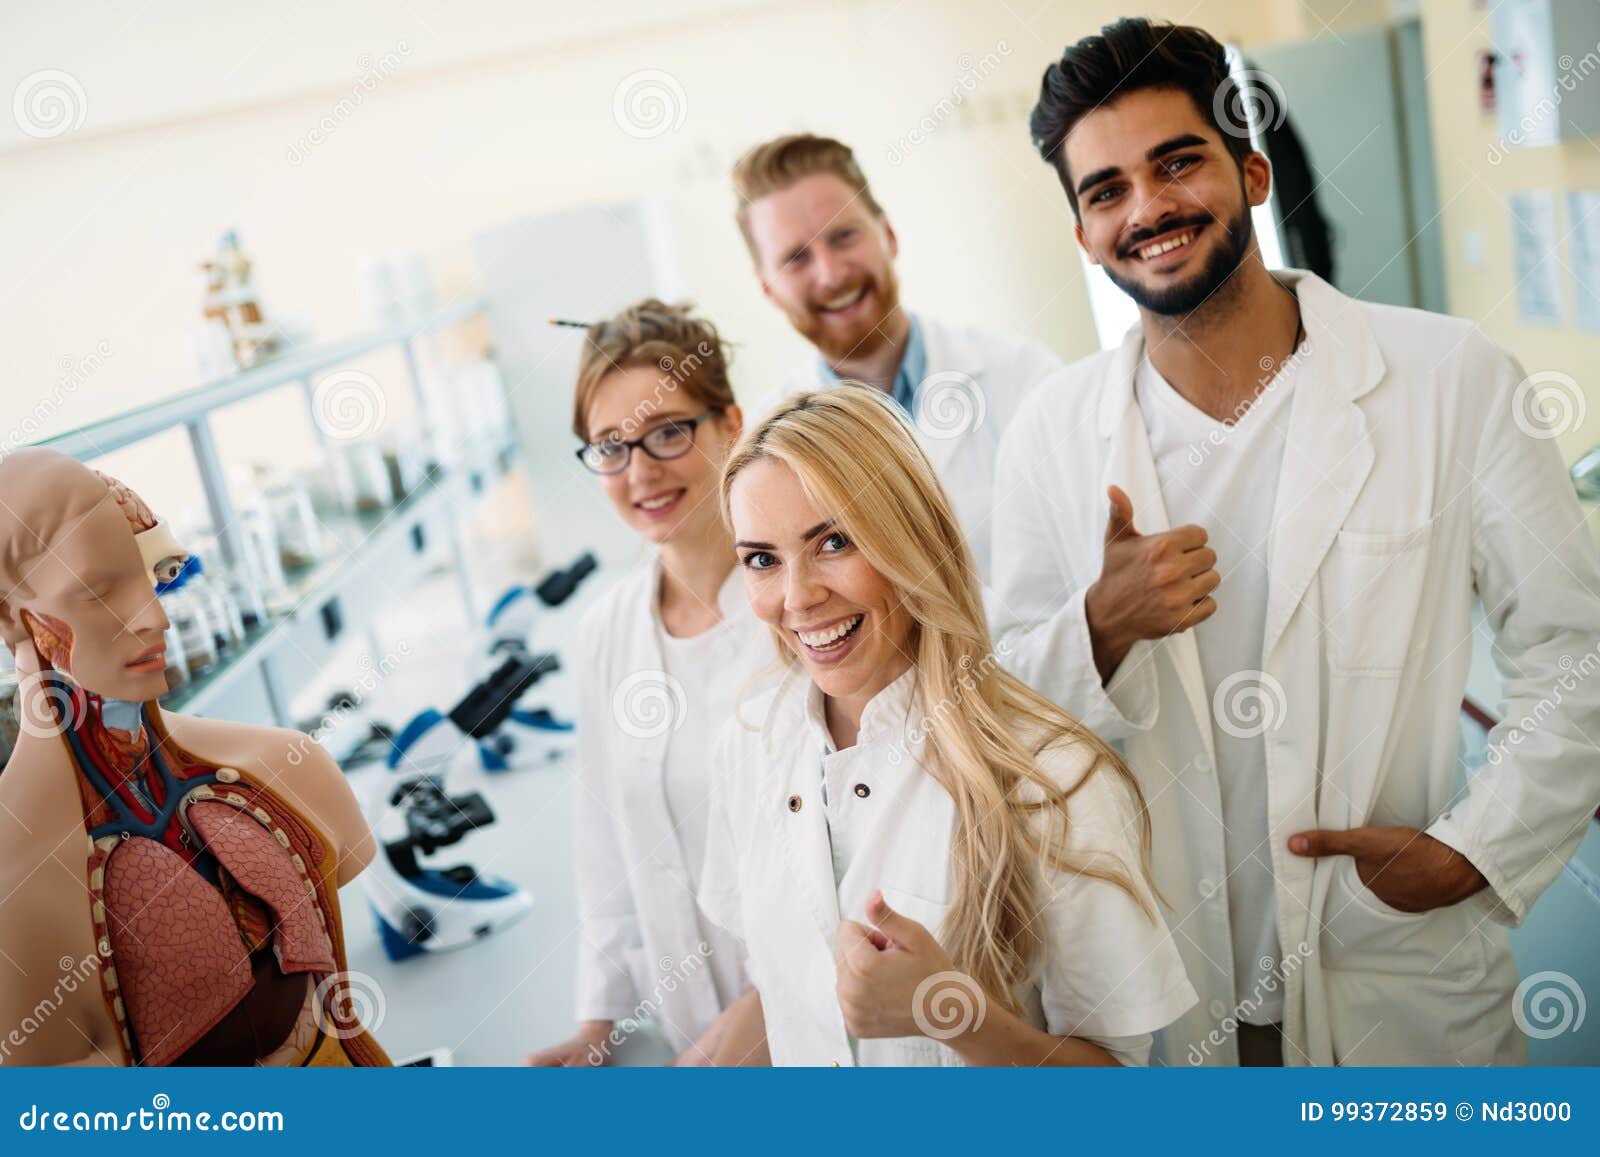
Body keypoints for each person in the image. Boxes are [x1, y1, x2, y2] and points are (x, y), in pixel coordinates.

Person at [991, 17, 1600, 1066]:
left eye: (1177, 163)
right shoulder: (1049, 433)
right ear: (1085, 234)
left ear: (1252, 171)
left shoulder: (1448, 379)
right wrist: (1099, 625)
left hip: (1390, 978)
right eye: (1106, 191)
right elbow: (1003, 716)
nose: (1148, 209)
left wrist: (1470, 852)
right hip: (1170, 993)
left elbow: (1573, 649)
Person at [697, 385, 1196, 1066]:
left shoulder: (1052, 777)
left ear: (912, 538)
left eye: (835, 541)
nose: (797, 596)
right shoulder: (748, 744)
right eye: (762, 559)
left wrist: (949, 1011)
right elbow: (785, 994)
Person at [0, 450, 388, 1066]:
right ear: (9, 616)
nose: (156, 619)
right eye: (100, 592)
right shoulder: (14, 892)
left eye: (158, 581)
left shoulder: (289, 767)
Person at [526, 300, 768, 1066]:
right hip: (691, 1045)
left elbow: (868, 848)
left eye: (667, 431)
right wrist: (597, 1028)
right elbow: (606, 852)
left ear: (730, 423)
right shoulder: (608, 631)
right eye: (609, 446)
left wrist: (770, 1010)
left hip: (831, 1031)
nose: (640, 471)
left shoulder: (800, 605)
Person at [731, 133, 1062, 591]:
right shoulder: (760, 452)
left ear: (887, 235)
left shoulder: (1024, 379)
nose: (830, 274)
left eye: (843, 236)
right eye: (796, 258)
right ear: (766, 287)